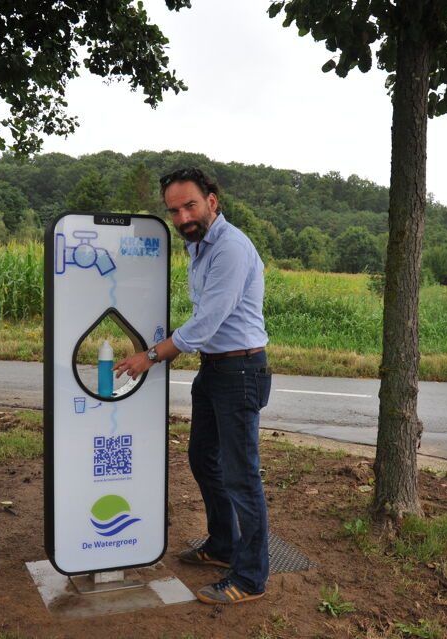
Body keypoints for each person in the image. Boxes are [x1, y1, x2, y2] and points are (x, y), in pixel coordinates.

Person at [113, 167, 272, 605]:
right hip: (216, 369)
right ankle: (222, 546)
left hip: (240, 371)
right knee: (204, 459)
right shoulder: (200, 246)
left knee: (242, 478)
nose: (183, 217)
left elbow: (204, 323)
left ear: (212, 201)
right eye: (174, 210)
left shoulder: (231, 249)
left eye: (190, 206)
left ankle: (251, 577)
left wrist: (148, 356)